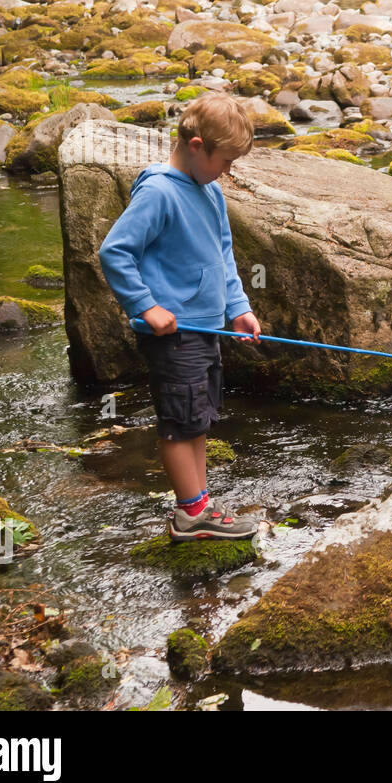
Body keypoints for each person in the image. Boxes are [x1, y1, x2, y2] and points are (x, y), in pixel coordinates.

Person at [98, 91, 263, 542]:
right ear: (195, 146)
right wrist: (146, 307)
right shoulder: (159, 192)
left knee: (198, 418)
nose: (227, 172)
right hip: (173, 334)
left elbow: (223, 256)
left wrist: (238, 309)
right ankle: (190, 515)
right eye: (224, 161)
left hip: (205, 328)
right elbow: (115, 252)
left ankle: (199, 500)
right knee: (179, 423)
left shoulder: (208, 193)